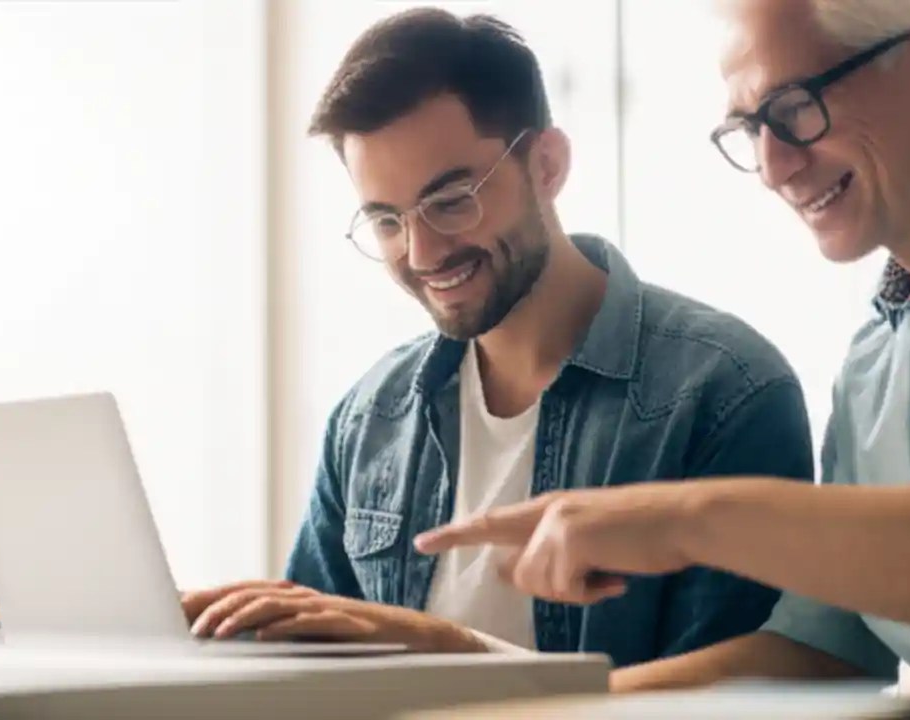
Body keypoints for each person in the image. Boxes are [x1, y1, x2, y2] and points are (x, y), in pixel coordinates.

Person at [416, 0, 910, 694]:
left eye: (795, 108)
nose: (772, 167)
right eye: (748, 129)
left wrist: (681, 519)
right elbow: (822, 649)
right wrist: (529, 702)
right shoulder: (873, 366)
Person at [181, 7, 813, 677]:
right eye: (387, 221)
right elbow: (311, 672)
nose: (422, 252)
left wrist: (449, 650)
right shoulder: (367, 421)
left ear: (547, 164)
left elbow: (739, 699)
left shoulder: (725, 394)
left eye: (451, 201)